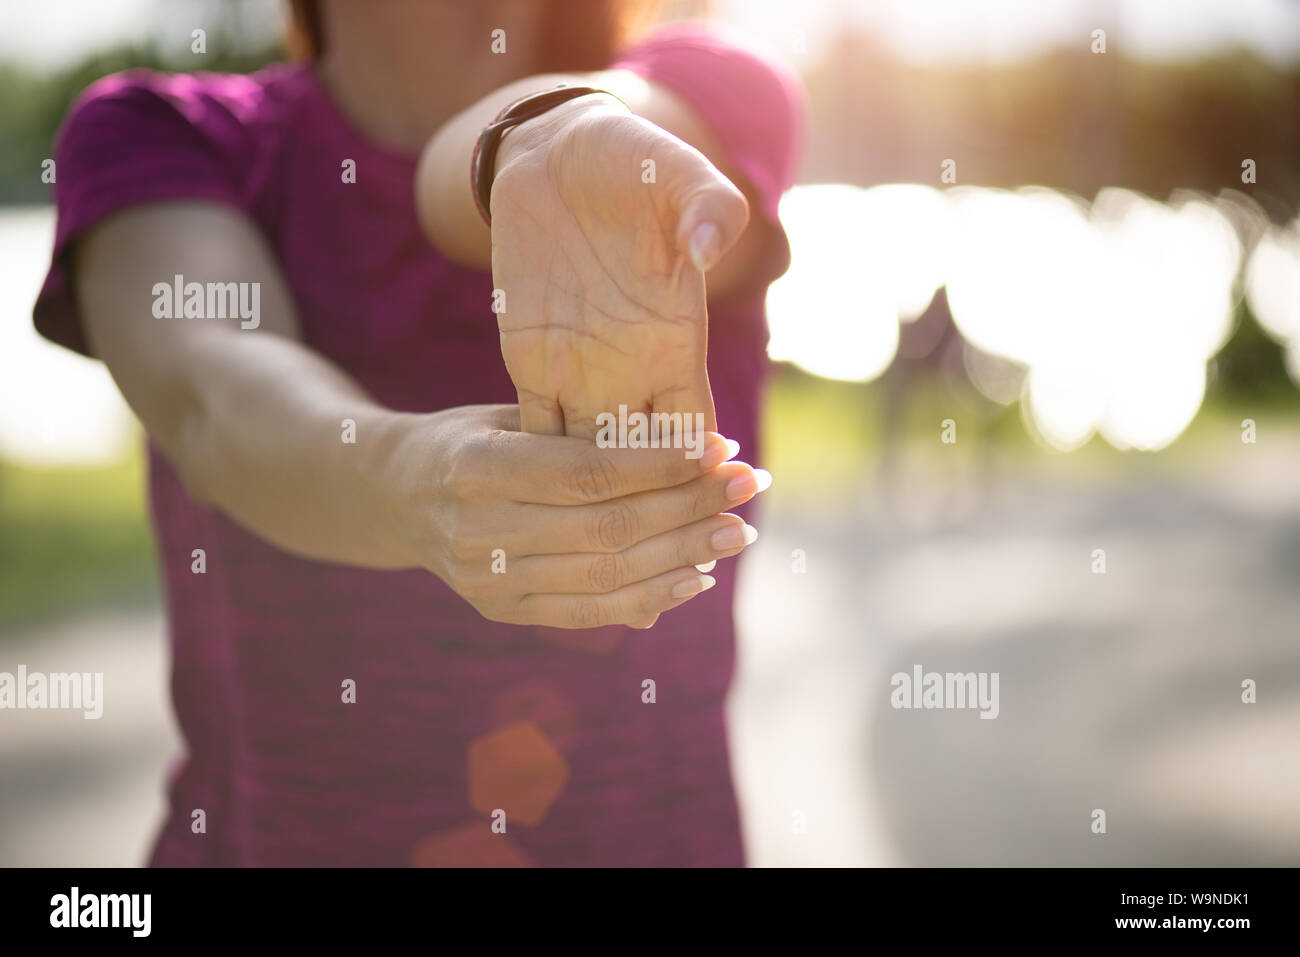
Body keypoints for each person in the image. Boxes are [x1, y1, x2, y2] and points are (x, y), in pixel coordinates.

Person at [33, 0, 804, 866]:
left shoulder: (714, 90)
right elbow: (214, 396)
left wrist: (546, 139)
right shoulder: (160, 135)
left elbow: (465, 183)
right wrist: (416, 481)